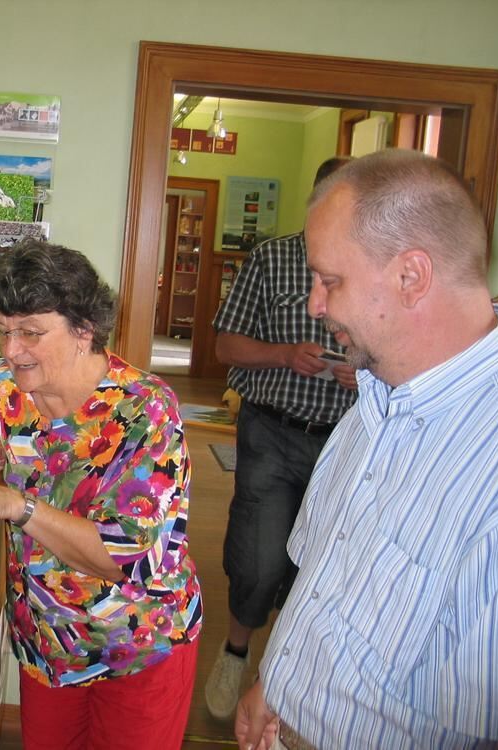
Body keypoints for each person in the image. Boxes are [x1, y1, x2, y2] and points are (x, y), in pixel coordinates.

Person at [236, 149, 498, 750]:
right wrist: (273, 679)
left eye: (331, 280)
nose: (316, 305)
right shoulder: (373, 404)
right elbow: (320, 579)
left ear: (411, 276)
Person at [0, 239, 202, 749]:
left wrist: (18, 506)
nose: (10, 350)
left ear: (83, 330)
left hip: (137, 643)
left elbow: (123, 558)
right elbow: (34, 464)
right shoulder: (7, 392)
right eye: (3, 331)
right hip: (47, 640)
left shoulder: (145, 412)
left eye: (30, 332)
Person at [204, 157, 358, 720]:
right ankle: (236, 648)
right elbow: (225, 347)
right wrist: (285, 355)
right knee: (259, 558)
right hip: (272, 429)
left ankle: (278, 676)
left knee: (316, 566)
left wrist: (364, 370)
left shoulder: (377, 264)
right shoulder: (272, 259)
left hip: (347, 441)